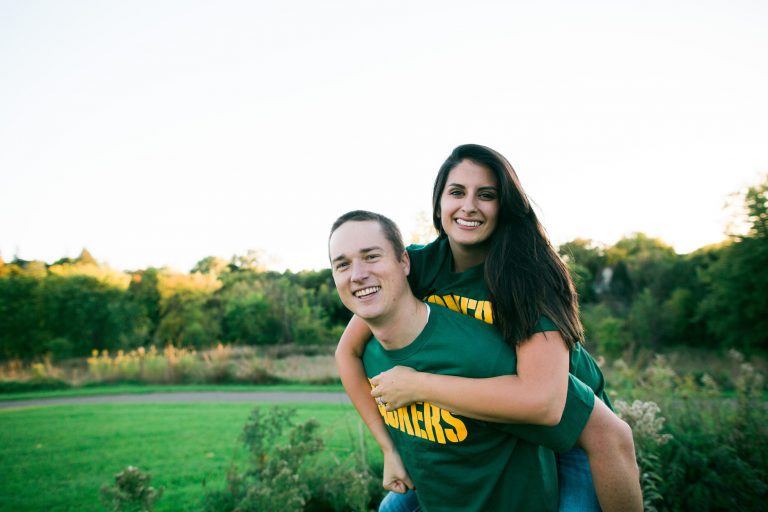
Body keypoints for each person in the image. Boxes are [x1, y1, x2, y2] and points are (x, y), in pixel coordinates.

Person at [335, 144, 642, 511]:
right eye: (457, 192)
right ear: (438, 204)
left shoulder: (531, 277)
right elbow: (348, 351)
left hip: (571, 432)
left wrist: (418, 385)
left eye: (486, 195)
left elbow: (544, 403)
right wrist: (388, 449)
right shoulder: (415, 266)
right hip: (483, 428)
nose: (469, 206)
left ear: (504, 207)